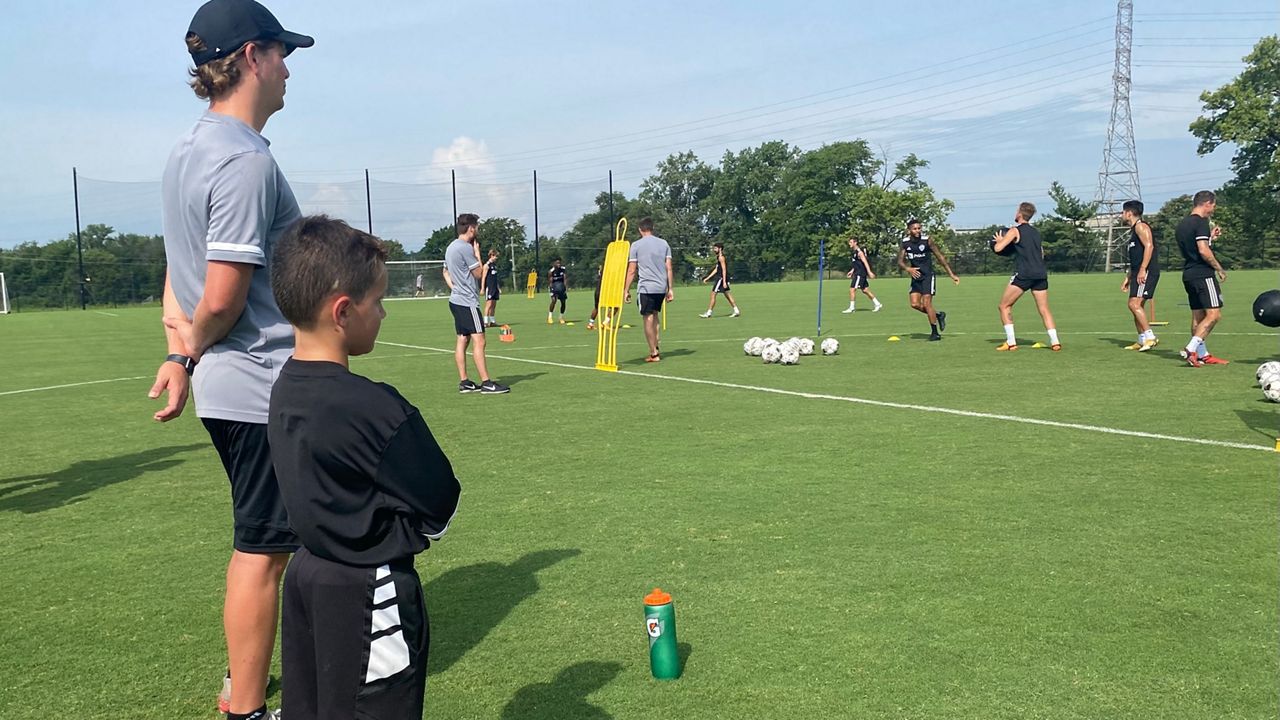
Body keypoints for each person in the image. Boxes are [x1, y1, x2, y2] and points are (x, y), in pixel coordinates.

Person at [146, 2, 312, 718]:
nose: (288, 69)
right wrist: (186, 352)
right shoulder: (245, 159)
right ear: (251, 57)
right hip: (258, 384)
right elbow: (218, 293)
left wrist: (178, 351)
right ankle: (244, 707)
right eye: (282, 53)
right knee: (263, 549)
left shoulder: (188, 149)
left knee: (271, 543)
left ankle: (242, 677)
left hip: (234, 383)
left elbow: (176, 272)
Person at [267, 215, 460, 720]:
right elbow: (440, 506)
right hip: (369, 591)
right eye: (378, 301)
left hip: (306, 576)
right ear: (343, 311)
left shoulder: (284, 387)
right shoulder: (375, 408)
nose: (383, 313)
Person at [443, 214, 510, 393]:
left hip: (455, 300)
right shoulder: (465, 248)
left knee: (462, 339)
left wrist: (455, 288)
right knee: (479, 340)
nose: (478, 230)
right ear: (471, 228)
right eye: (477, 227)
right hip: (467, 302)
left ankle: (464, 381)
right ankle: (486, 382)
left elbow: (445, 272)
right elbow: (479, 273)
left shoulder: (450, 247)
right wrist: (477, 254)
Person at [990, 203, 1061, 351]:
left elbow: (998, 248)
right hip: (1040, 274)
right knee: (1044, 309)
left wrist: (1000, 241)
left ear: (1020, 214)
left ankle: (1011, 343)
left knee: (1004, 306)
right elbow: (1041, 253)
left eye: (1017, 210)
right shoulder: (1036, 232)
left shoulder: (1014, 230)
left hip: (1024, 274)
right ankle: (1055, 342)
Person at [1175, 190, 1229, 367]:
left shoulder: (1183, 224)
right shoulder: (1201, 222)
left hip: (1189, 274)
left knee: (1198, 316)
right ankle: (1191, 349)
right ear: (1207, 203)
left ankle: (1202, 354)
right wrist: (1219, 268)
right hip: (1203, 274)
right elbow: (1203, 251)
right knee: (1214, 314)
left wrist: (1210, 237)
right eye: (1213, 205)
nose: (1213, 209)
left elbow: (1194, 246)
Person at [896, 219, 959, 341]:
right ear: (909, 230)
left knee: (927, 304)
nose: (918, 231)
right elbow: (900, 261)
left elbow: (940, 257)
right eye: (915, 229)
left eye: (919, 228)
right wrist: (908, 269)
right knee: (914, 304)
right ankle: (938, 315)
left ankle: (935, 333)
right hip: (916, 277)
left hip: (928, 276)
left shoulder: (927, 240)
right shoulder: (905, 243)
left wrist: (951, 274)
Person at [623, 217, 674, 362]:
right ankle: (655, 346)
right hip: (661, 287)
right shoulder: (664, 243)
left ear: (640, 229)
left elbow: (632, 270)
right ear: (652, 228)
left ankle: (653, 353)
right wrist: (670, 288)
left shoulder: (636, 245)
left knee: (648, 318)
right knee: (655, 315)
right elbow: (669, 267)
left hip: (646, 288)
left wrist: (626, 289)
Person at [1119, 200, 1160, 351]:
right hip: (1137, 272)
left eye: (1123, 212)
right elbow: (1135, 258)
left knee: (1134, 304)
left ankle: (1150, 337)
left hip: (1147, 271)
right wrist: (1128, 277)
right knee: (1136, 305)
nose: (1122, 215)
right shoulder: (1133, 231)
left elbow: (1149, 246)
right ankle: (1142, 340)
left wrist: (1143, 269)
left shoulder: (1141, 227)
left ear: (1129, 213)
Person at [699, 242, 741, 318]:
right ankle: (736, 310)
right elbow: (716, 269)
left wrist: (724, 281)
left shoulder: (721, 257)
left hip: (720, 279)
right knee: (727, 295)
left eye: (715, 248)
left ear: (720, 249)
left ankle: (708, 313)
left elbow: (724, 270)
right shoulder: (718, 257)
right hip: (720, 278)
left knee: (713, 294)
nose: (714, 250)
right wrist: (707, 278)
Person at [842, 237, 882, 313]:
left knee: (852, 289)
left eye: (851, 242)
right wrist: (852, 271)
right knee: (865, 290)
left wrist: (869, 272)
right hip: (857, 272)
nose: (849, 244)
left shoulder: (859, 252)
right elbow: (857, 263)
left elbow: (865, 262)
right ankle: (877, 304)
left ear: (855, 243)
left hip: (860, 274)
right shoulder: (854, 252)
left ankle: (851, 308)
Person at [481, 248, 501, 327]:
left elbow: (495, 278)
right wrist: (482, 288)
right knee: (488, 305)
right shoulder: (487, 265)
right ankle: (485, 322)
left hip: (495, 288)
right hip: (489, 288)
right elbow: (483, 277)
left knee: (493, 305)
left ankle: (492, 321)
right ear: (491, 255)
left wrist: (498, 288)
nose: (496, 258)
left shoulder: (494, 266)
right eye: (495, 256)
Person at [546, 258, 568, 324]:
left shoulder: (563, 269)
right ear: (554, 264)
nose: (559, 264)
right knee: (553, 301)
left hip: (561, 287)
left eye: (559, 263)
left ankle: (561, 318)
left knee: (563, 302)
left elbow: (565, 279)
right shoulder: (551, 271)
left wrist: (565, 288)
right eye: (557, 263)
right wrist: (552, 290)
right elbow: (550, 283)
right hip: (553, 287)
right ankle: (550, 317)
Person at [587, 266, 604, 331]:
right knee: (615, 307)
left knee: (597, 308)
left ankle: (590, 324)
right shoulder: (607, 274)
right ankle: (605, 323)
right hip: (603, 292)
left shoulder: (600, 273)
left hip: (597, 291)